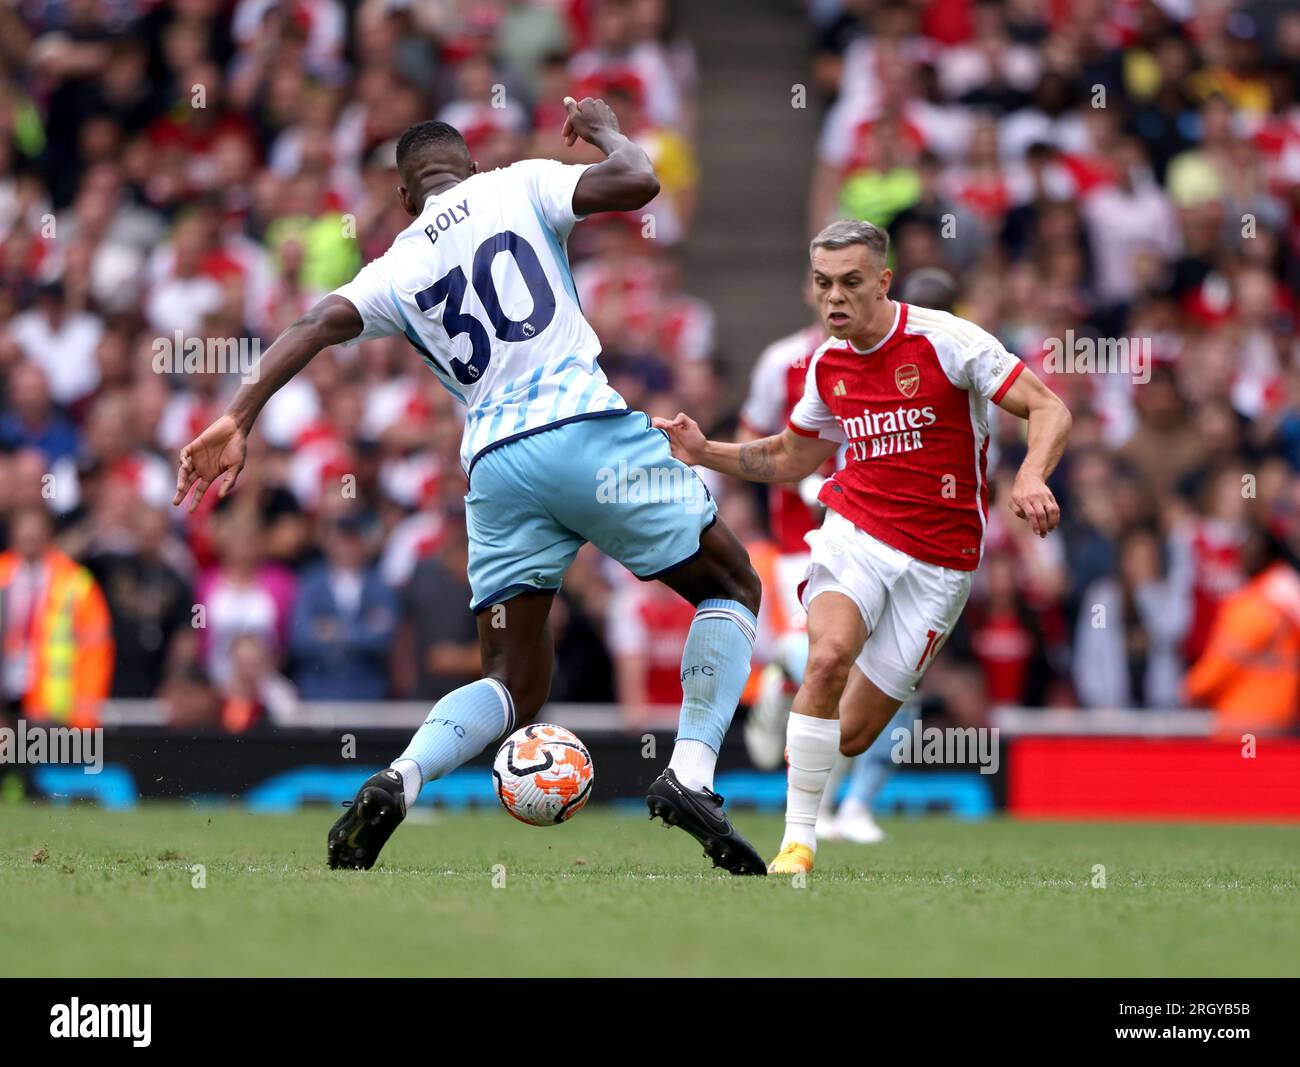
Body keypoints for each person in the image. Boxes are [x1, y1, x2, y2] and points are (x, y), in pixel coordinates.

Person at [172, 98, 767, 876]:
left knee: (513, 679)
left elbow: (314, 322)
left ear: (404, 199)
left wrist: (237, 415)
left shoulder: (395, 264)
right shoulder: (515, 184)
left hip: (495, 468)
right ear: (470, 167)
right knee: (729, 581)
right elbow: (639, 181)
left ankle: (399, 777)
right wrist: (606, 130)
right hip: (584, 430)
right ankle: (690, 775)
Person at [656, 219, 1072, 873]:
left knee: (850, 731)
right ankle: (798, 843)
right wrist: (707, 451)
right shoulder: (828, 363)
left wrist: (1030, 474)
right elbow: (792, 456)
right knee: (828, 658)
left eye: (850, 283)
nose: (834, 299)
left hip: (941, 561)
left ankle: (786, 679)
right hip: (856, 531)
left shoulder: (948, 341)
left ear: (882, 281)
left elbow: (1049, 407)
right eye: (823, 284)